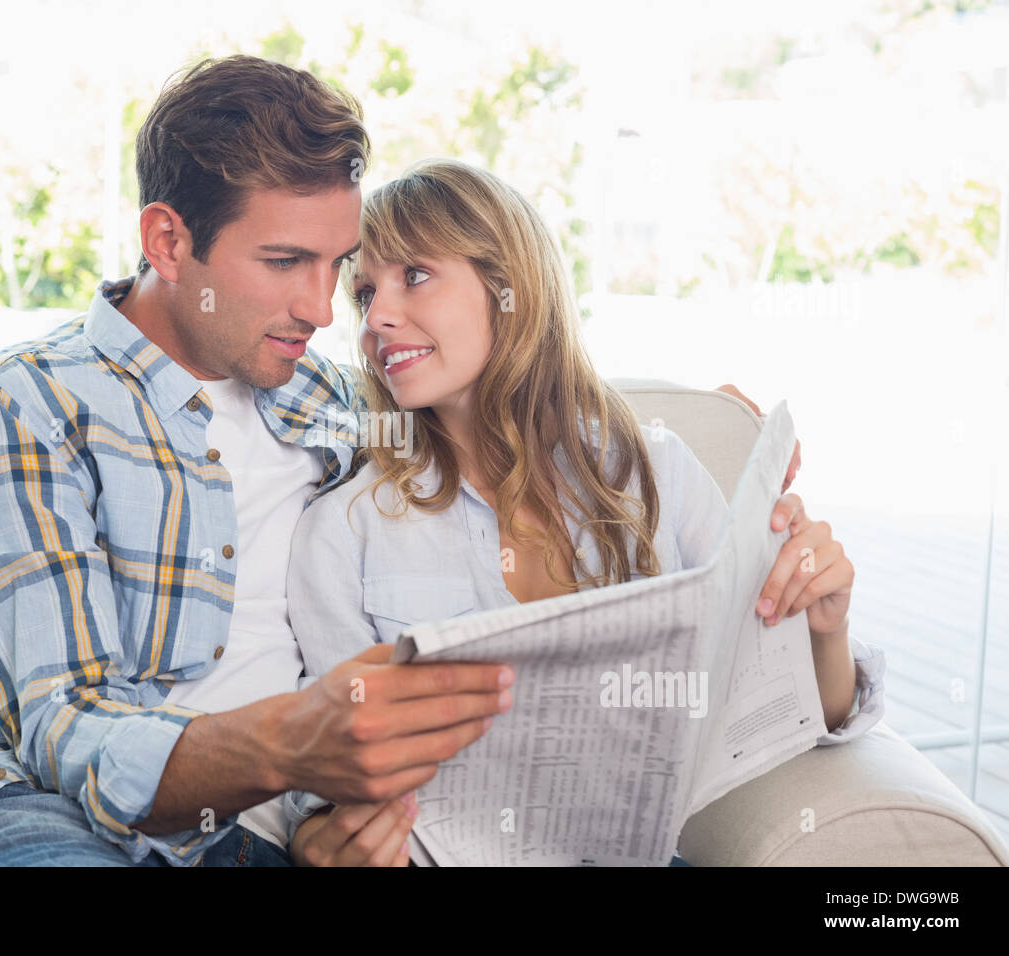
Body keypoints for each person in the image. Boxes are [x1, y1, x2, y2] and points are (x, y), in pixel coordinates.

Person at [0, 54, 819, 868]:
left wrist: (667, 424)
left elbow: (483, 404)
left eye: (338, 265)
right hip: (40, 808)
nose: (323, 305)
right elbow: (64, 728)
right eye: (286, 261)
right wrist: (293, 740)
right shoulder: (17, 404)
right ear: (167, 239)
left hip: (269, 828)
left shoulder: (325, 400)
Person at [284, 158, 885, 866]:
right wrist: (319, 843)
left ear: (510, 288)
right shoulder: (342, 532)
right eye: (364, 292)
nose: (376, 317)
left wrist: (825, 626)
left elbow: (808, 714)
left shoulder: (653, 472)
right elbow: (324, 783)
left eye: (413, 275)